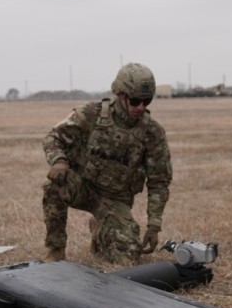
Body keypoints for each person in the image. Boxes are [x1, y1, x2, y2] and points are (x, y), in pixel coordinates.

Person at [42, 62, 172, 264]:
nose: (141, 107)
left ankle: (99, 229)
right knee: (54, 186)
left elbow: (159, 182)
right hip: (82, 187)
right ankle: (56, 249)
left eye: (147, 101)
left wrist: (154, 225)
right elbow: (53, 137)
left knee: (128, 257)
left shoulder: (152, 133)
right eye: (136, 100)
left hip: (114, 200)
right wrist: (58, 161)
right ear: (120, 94)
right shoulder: (91, 114)